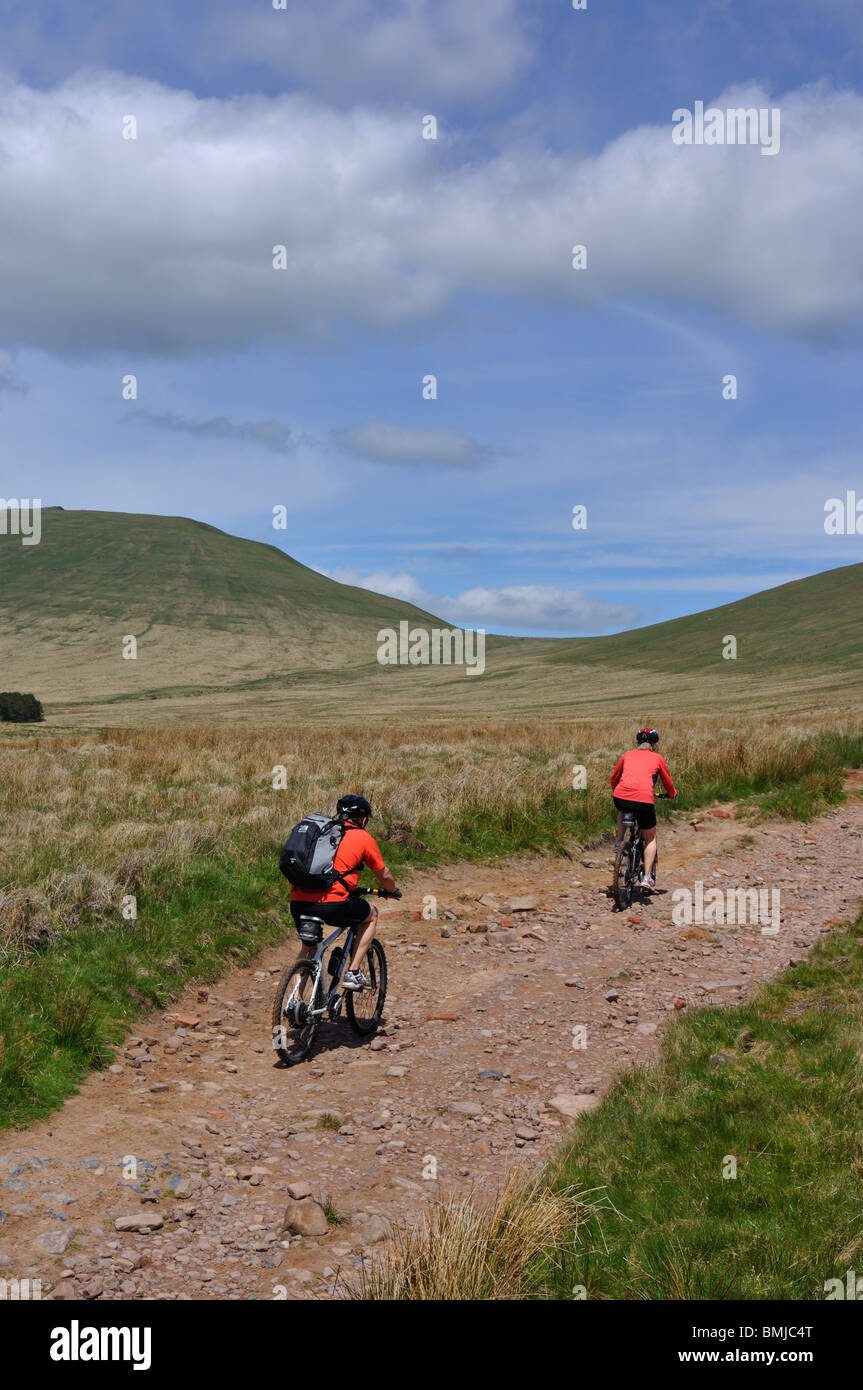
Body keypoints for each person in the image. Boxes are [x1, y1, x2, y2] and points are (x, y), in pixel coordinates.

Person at [289, 793, 398, 989]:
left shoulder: (322, 833)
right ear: (363, 819)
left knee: (308, 948)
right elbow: (384, 875)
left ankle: (294, 1003)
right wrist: (392, 891)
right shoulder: (362, 837)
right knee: (371, 915)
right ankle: (353, 972)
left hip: (298, 901)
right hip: (333, 904)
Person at [610, 728, 677, 890]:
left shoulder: (627, 755)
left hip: (621, 797)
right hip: (644, 801)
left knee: (623, 809)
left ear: (638, 743)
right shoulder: (657, 758)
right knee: (650, 838)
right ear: (653, 744)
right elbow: (667, 782)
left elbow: (614, 778)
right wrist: (672, 794)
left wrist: (618, 790)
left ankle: (619, 841)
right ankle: (647, 878)